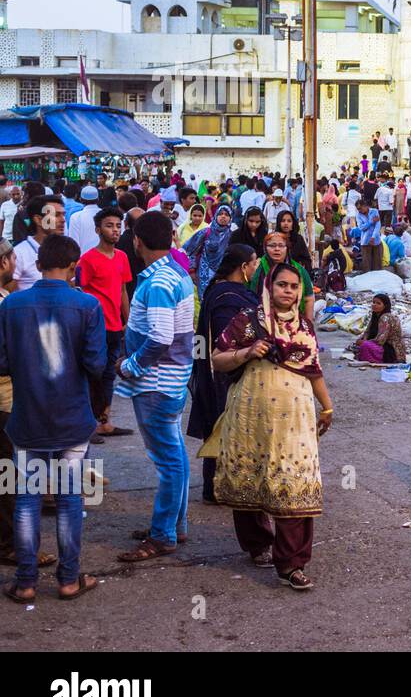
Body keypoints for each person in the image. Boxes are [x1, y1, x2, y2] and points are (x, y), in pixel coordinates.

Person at [202, 262, 332, 590]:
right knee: (252, 474)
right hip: (251, 414)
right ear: (269, 287)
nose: (287, 291)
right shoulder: (248, 321)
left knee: (297, 480)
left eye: (293, 286)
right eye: (281, 285)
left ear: (300, 291)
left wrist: (327, 406)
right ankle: (258, 543)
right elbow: (217, 357)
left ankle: (292, 563)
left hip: (295, 417)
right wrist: (247, 351)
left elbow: (314, 370)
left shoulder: (304, 327)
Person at [0, 235, 107, 602]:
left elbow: (0, 362)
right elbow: (96, 364)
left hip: (27, 418)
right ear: (73, 266)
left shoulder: (12, 304)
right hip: (72, 419)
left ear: (40, 262)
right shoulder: (87, 305)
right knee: (69, 499)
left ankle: (26, 582)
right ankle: (68, 578)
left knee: (26, 499)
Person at [114, 211, 196, 563]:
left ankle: (163, 534)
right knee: (174, 453)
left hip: (157, 383)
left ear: (137, 242)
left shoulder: (159, 282)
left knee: (167, 460)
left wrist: (130, 366)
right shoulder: (175, 273)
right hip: (171, 380)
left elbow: (160, 337)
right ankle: (174, 524)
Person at [187, 244, 260, 504]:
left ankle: (219, 487)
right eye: (254, 263)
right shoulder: (227, 297)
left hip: (219, 372)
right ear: (243, 268)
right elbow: (223, 339)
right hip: (225, 373)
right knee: (225, 427)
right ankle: (220, 488)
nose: (256, 266)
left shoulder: (219, 291)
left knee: (221, 427)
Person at [0, 240, 57, 570]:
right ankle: (13, 545)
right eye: (10, 258)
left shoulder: (9, 300)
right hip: (6, 402)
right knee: (10, 475)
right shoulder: (6, 304)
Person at [78, 208, 135, 441]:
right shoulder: (87, 259)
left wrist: (128, 320)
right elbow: (79, 290)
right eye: (109, 225)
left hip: (114, 326)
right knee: (92, 374)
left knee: (109, 374)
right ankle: (88, 424)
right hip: (93, 328)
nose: (115, 230)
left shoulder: (122, 257)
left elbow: (122, 290)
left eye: (118, 226)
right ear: (97, 229)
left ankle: (104, 422)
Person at [250, 232, 314, 317]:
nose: (277, 249)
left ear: (287, 248)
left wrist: (308, 324)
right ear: (265, 248)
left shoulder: (299, 270)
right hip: (262, 319)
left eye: (281, 246)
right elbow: (249, 296)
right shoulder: (256, 268)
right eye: (272, 246)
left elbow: (308, 298)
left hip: (294, 320)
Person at [13, 193, 65, 292]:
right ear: (39, 220)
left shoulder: (66, 250)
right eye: (56, 215)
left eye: (63, 215)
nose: (63, 220)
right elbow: (8, 294)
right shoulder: (19, 254)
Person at [183, 204, 234, 299]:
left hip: (224, 275)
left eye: (227, 215)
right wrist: (192, 270)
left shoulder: (232, 236)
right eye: (220, 214)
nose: (223, 216)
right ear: (215, 216)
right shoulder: (205, 232)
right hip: (204, 274)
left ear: (230, 218)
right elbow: (189, 251)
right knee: (205, 301)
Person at [349, 293, 406, 364]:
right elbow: (367, 332)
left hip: (391, 349)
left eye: (378, 303)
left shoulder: (385, 317)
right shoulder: (375, 316)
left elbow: (380, 340)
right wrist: (362, 339)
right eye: (373, 302)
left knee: (365, 346)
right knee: (358, 344)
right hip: (380, 346)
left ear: (385, 306)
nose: (374, 305)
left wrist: (364, 342)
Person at [272, 210, 313, 275]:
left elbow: (306, 260)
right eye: (283, 221)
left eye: (289, 221)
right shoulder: (274, 238)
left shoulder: (298, 239)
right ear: (278, 223)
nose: (286, 223)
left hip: (297, 274)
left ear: (293, 224)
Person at [67, 185, 102, 253]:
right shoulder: (107, 215)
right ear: (98, 199)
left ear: (80, 199)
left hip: (83, 260)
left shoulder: (75, 217)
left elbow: (74, 243)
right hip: (106, 259)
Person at [355, 199, 382, 273]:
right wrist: (371, 222)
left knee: (377, 264)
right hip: (365, 241)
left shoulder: (374, 211)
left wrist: (373, 237)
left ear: (365, 206)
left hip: (376, 240)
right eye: (358, 209)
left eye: (360, 208)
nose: (359, 210)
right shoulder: (358, 215)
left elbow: (378, 225)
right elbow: (361, 227)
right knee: (367, 265)